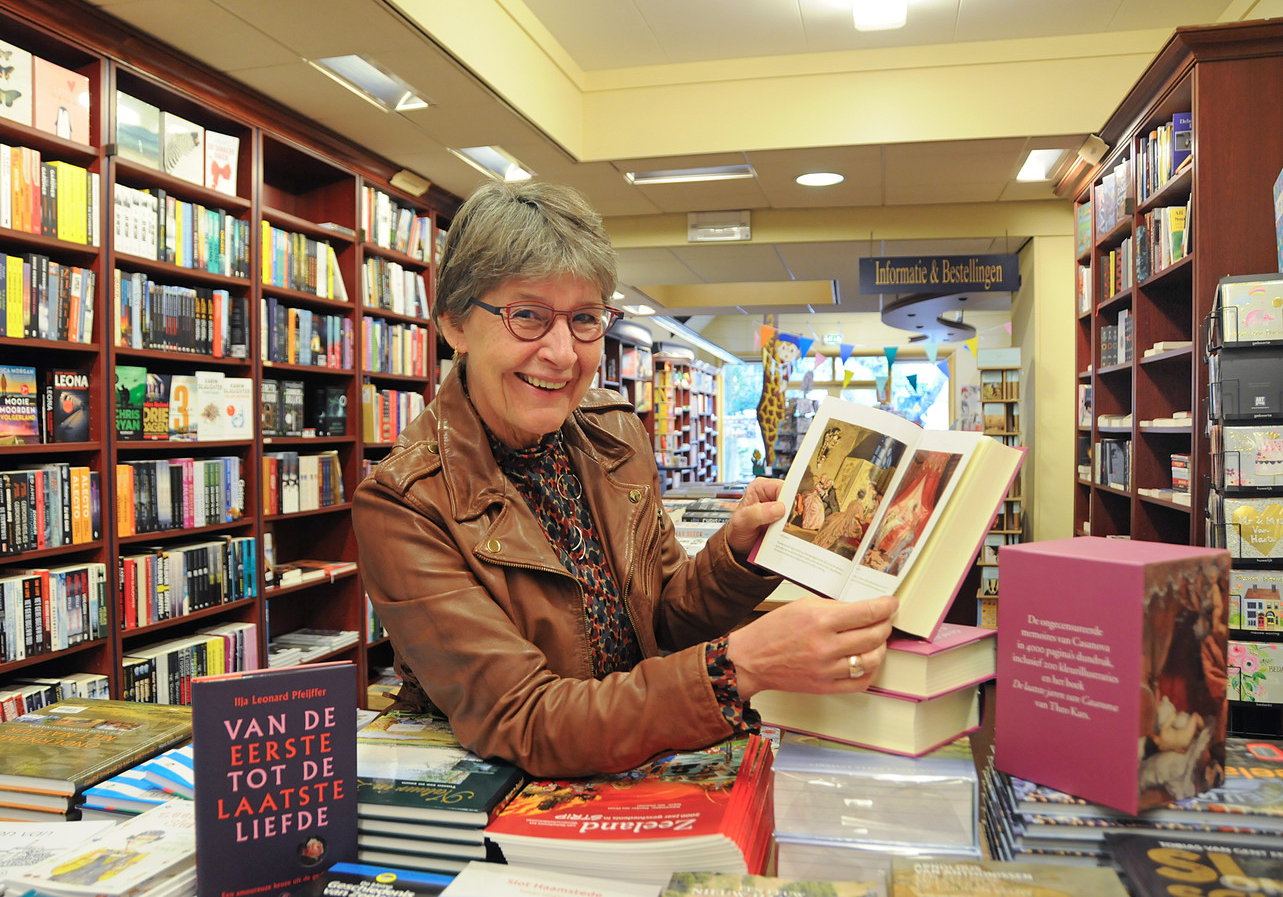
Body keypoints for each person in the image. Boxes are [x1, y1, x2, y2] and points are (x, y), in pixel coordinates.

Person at [352, 181, 897, 779]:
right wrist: (735, 666)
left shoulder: (612, 435)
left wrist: (738, 554)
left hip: (633, 767)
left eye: (584, 318)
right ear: (455, 324)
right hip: (507, 806)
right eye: (528, 316)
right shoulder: (405, 503)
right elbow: (524, 717)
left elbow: (659, 619)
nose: (562, 353)